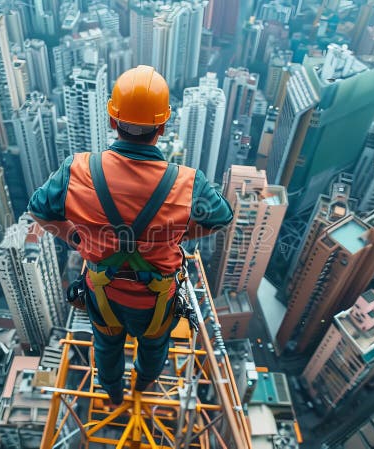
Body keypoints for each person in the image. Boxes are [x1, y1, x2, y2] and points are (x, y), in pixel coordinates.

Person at [28, 65, 233, 405]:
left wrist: (75, 239)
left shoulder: (77, 170)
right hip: (155, 300)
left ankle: (113, 391)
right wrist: (175, 235)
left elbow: (39, 210)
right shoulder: (186, 183)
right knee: (154, 348)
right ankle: (143, 384)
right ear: (163, 126)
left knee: (106, 345)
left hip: (103, 294)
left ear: (112, 120)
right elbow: (221, 217)